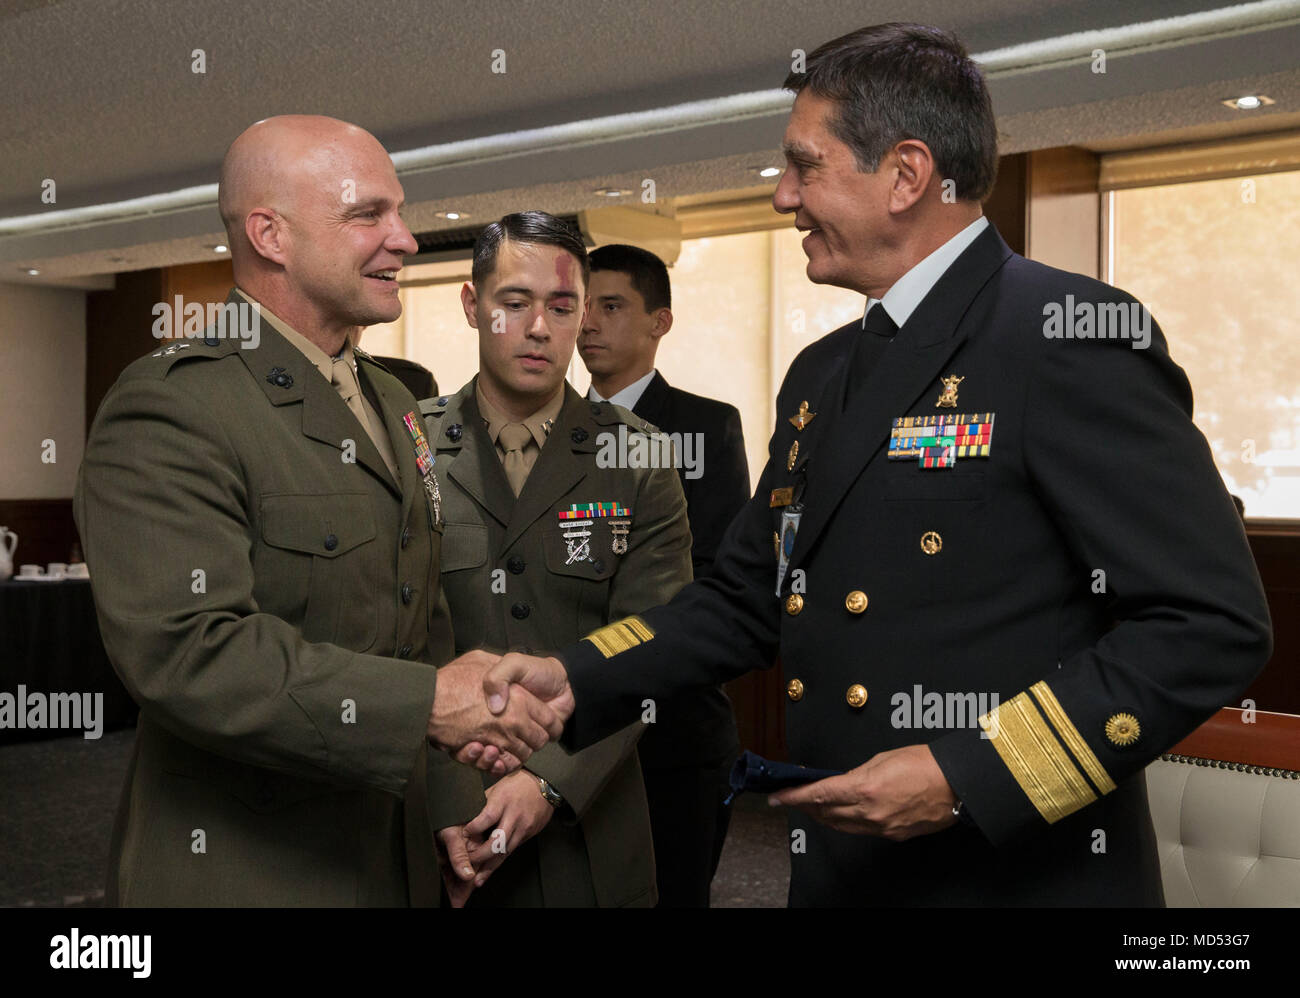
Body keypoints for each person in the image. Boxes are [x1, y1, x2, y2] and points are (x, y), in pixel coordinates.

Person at [472, 24, 1273, 906]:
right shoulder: (823, 373)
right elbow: (744, 597)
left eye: (803, 166)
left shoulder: (1067, 336)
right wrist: (573, 674)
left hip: (1008, 878)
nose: (782, 198)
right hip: (846, 871)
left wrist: (965, 773)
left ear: (906, 174)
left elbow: (1209, 622)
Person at [73, 115, 558, 906]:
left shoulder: (394, 398)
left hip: (388, 850)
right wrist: (429, 707)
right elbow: (188, 651)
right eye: (368, 215)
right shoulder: (174, 405)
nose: (405, 239)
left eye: (399, 212)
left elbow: (422, 621)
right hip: (249, 867)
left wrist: (442, 801)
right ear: (270, 234)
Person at [421, 213, 692, 907]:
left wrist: (546, 779)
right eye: (514, 303)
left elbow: (650, 642)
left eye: (562, 306)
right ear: (472, 305)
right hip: (439, 821)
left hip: (588, 825)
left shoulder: (639, 455)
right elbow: (396, 642)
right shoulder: (408, 447)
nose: (539, 327)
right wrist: (453, 794)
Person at [579, 243, 747, 906]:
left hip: (670, 734)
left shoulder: (704, 427)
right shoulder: (544, 428)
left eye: (611, 306)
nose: (587, 323)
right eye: (578, 306)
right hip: (564, 728)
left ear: (660, 321)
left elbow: (709, 577)